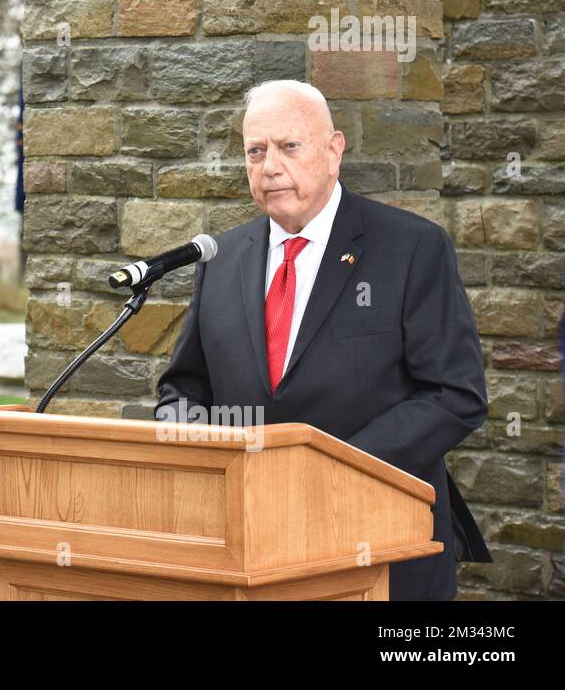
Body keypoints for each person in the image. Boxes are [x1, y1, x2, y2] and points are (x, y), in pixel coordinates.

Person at [155, 79, 492, 600]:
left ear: (334, 150)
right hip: (250, 550)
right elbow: (184, 389)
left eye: (289, 146)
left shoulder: (411, 247)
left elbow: (456, 394)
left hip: (378, 543)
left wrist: (331, 470)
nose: (270, 166)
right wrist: (192, 450)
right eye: (255, 151)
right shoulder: (221, 259)